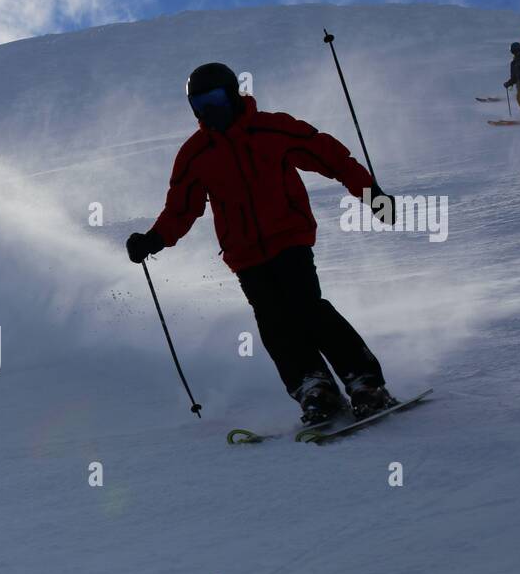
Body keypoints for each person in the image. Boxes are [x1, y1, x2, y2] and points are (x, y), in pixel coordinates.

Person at [125, 62, 397, 423]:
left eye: (216, 99)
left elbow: (331, 157)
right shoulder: (196, 154)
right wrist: (153, 240)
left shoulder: (272, 128)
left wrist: (371, 195)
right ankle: (314, 388)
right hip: (245, 254)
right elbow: (181, 209)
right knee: (273, 322)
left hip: (289, 237)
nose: (210, 110)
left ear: (233, 94)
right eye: (200, 104)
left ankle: (364, 382)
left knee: (307, 308)